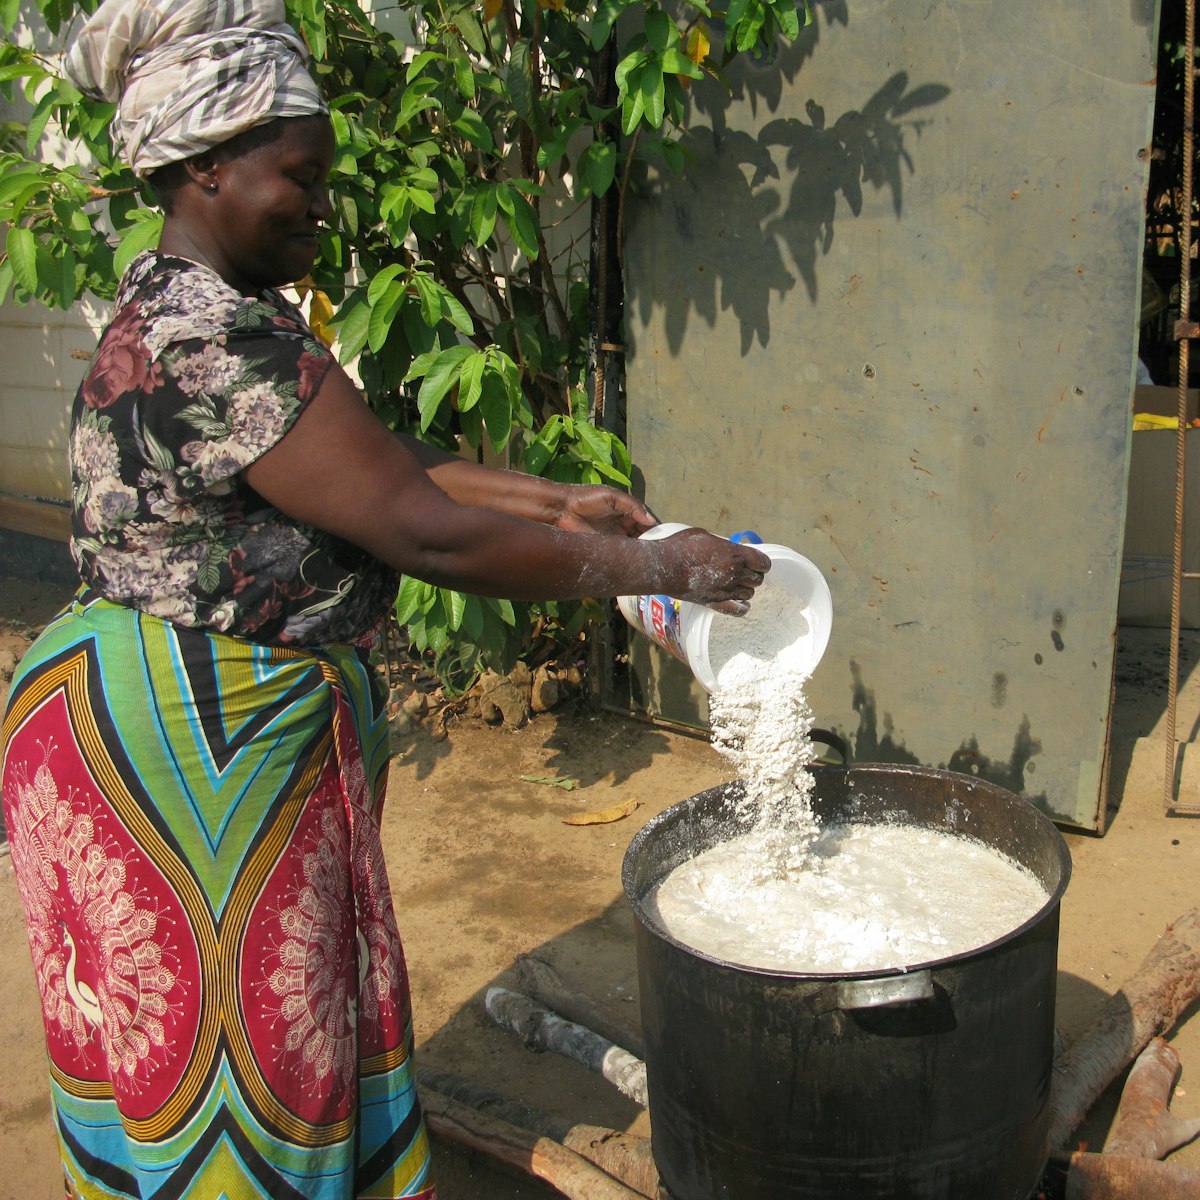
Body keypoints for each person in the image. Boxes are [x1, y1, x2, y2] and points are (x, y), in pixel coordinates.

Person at [0, 3, 771, 1198]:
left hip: (151, 704)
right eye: (297, 178)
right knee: (241, 1044)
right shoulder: (220, 345)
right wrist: (668, 571)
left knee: (225, 1027)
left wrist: (556, 502)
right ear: (206, 165)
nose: (320, 205)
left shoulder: (198, 311)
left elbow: (366, 464)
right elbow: (416, 528)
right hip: (194, 740)